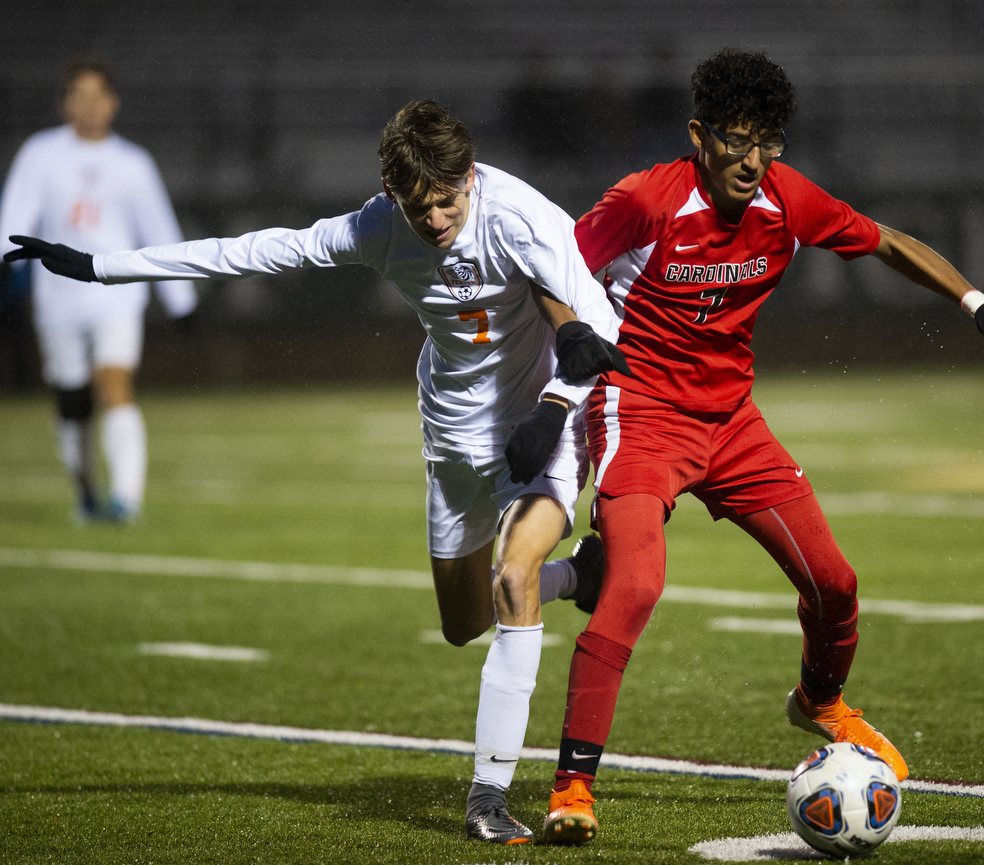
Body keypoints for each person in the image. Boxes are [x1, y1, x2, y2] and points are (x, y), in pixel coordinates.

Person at [7, 99, 630, 847]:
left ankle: (488, 795)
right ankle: (578, 579)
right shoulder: (377, 226)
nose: (434, 220)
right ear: (392, 194)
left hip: (537, 428)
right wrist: (101, 266)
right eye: (417, 206)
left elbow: (598, 325)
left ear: (469, 176)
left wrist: (555, 411)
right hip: (451, 433)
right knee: (465, 622)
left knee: (512, 576)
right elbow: (252, 250)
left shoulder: (521, 216)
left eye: (446, 200)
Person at [539, 48, 984, 846]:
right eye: (737, 140)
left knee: (836, 583)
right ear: (698, 135)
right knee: (635, 587)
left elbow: (883, 241)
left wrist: (976, 301)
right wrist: (553, 359)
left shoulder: (787, 197)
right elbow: (552, 263)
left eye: (768, 140)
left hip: (734, 422)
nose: (753, 161)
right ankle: (572, 785)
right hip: (639, 412)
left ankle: (819, 700)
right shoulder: (647, 200)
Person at [0, 59, 197, 522]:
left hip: (116, 292)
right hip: (57, 297)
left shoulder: (133, 162)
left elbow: (158, 229)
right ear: (64, 103)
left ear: (114, 103)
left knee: (114, 386)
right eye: (79, 96)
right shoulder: (41, 153)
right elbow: (15, 213)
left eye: (98, 95)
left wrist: (181, 301)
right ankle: (86, 492)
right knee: (71, 400)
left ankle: (126, 499)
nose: (90, 106)